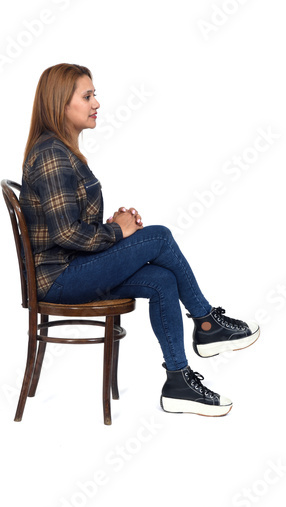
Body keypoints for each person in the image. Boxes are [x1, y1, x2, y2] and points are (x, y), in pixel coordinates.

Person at [20, 63, 259, 417]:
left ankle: (178, 381)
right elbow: (66, 234)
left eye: (94, 95)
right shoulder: (52, 155)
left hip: (72, 269)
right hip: (58, 279)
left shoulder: (60, 151)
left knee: (162, 280)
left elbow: (70, 225)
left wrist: (114, 225)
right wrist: (119, 232)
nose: (96, 103)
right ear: (59, 104)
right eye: (87, 96)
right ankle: (206, 324)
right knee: (159, 237)